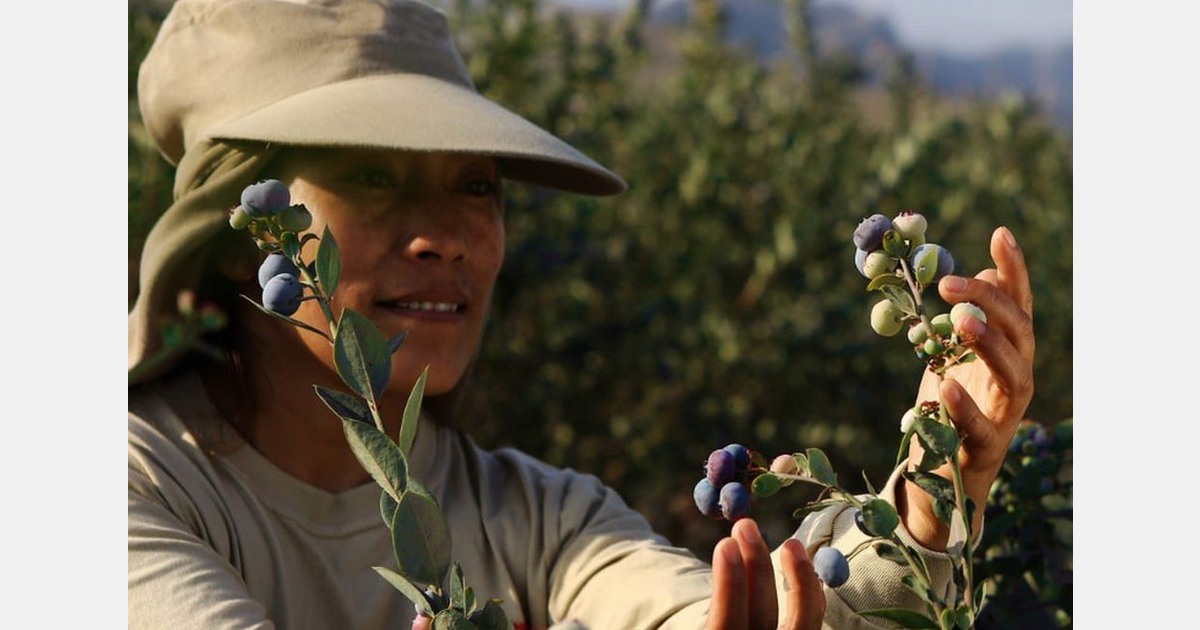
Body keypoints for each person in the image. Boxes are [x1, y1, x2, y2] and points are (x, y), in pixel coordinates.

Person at [127, 1, 1035, 628]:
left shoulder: (532, 515)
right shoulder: (129, 486)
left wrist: (924, 500)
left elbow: (733, 613)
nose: (446, 235)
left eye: (475, 184)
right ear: (237, 232)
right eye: (372, 175)